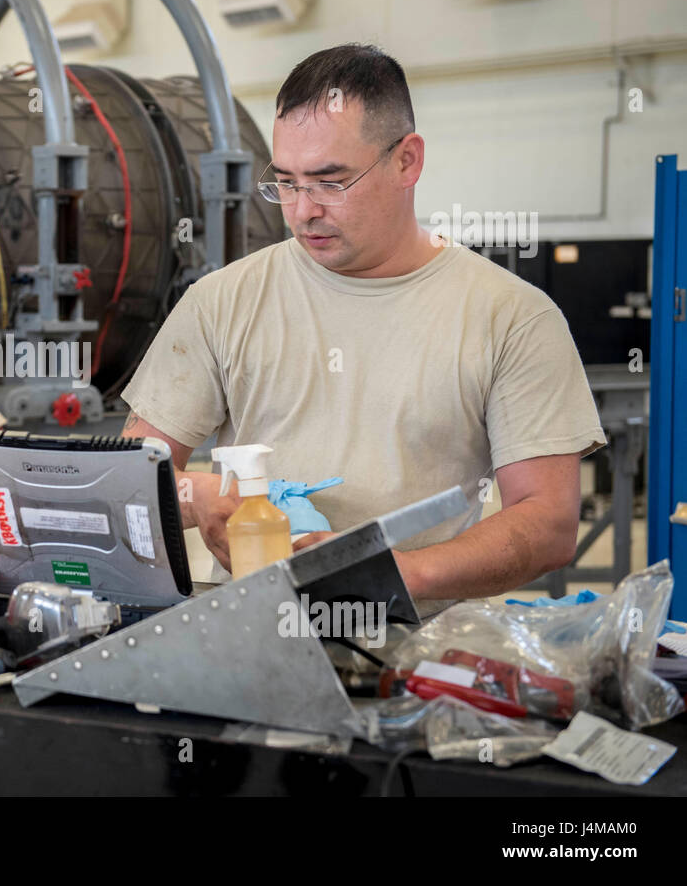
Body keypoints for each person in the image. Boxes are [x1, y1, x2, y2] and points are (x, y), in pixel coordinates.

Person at [121, 44, 605, 607]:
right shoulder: (221, 302)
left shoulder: (511, 318)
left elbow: (547, 523)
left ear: (407, 161)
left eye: (331, 181)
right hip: (252, 635)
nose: (303, 210)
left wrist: (394, 574)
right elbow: (128, 479)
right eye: (287, 183)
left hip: (423, 647)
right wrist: (196, 493)